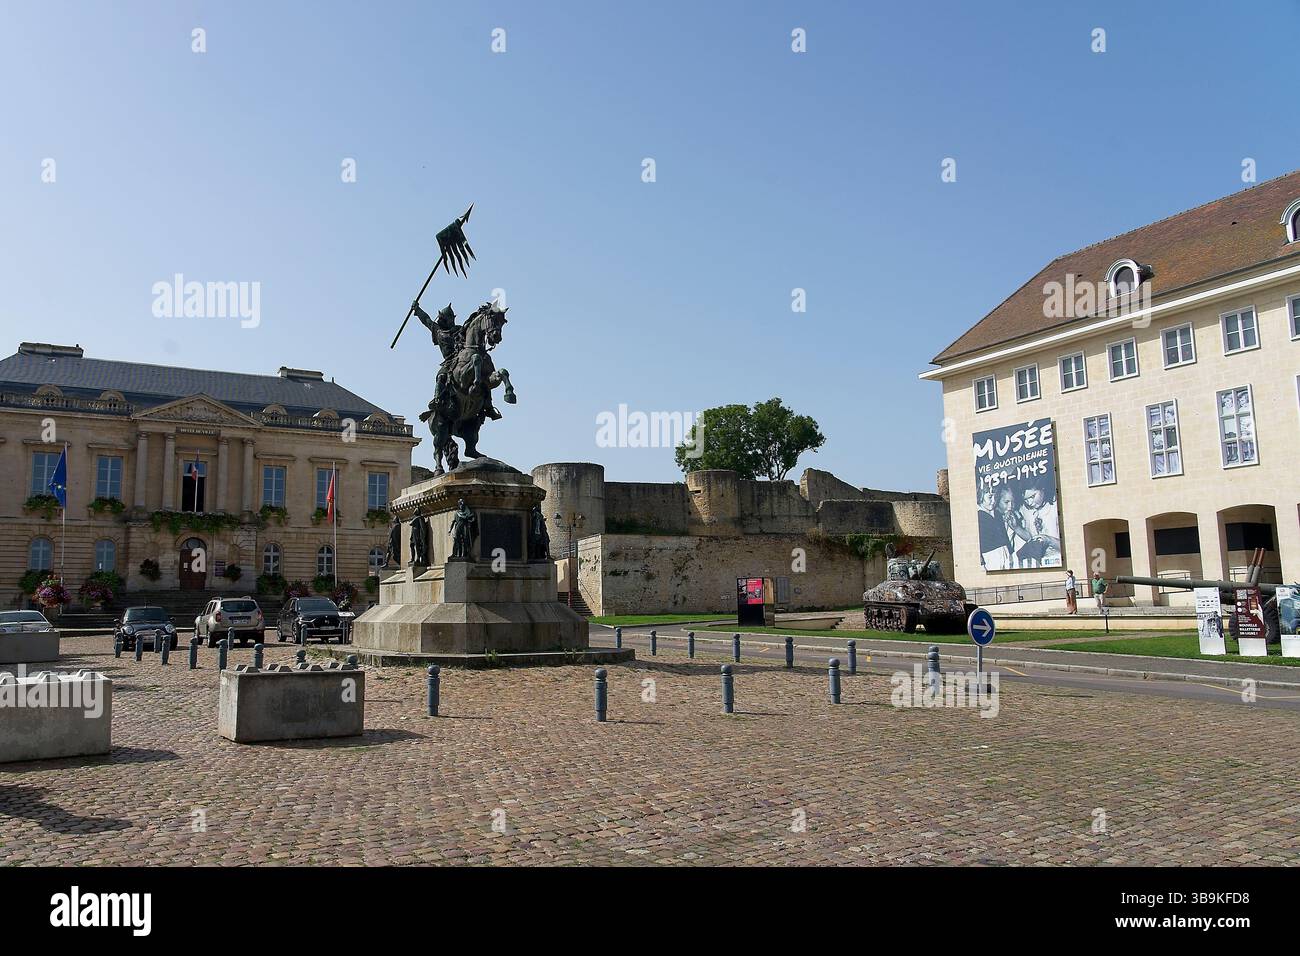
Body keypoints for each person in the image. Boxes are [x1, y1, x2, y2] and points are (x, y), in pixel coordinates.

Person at [977, 487, 1011, 570]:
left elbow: (1005, 537)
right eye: (990, 497)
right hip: (990, 557)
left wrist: (1010, 552)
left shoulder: (997, 513)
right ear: (980, 495)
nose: (993, 501)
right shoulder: (977, 515)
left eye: (996, 497)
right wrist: (981, 564)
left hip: (1005, 553)